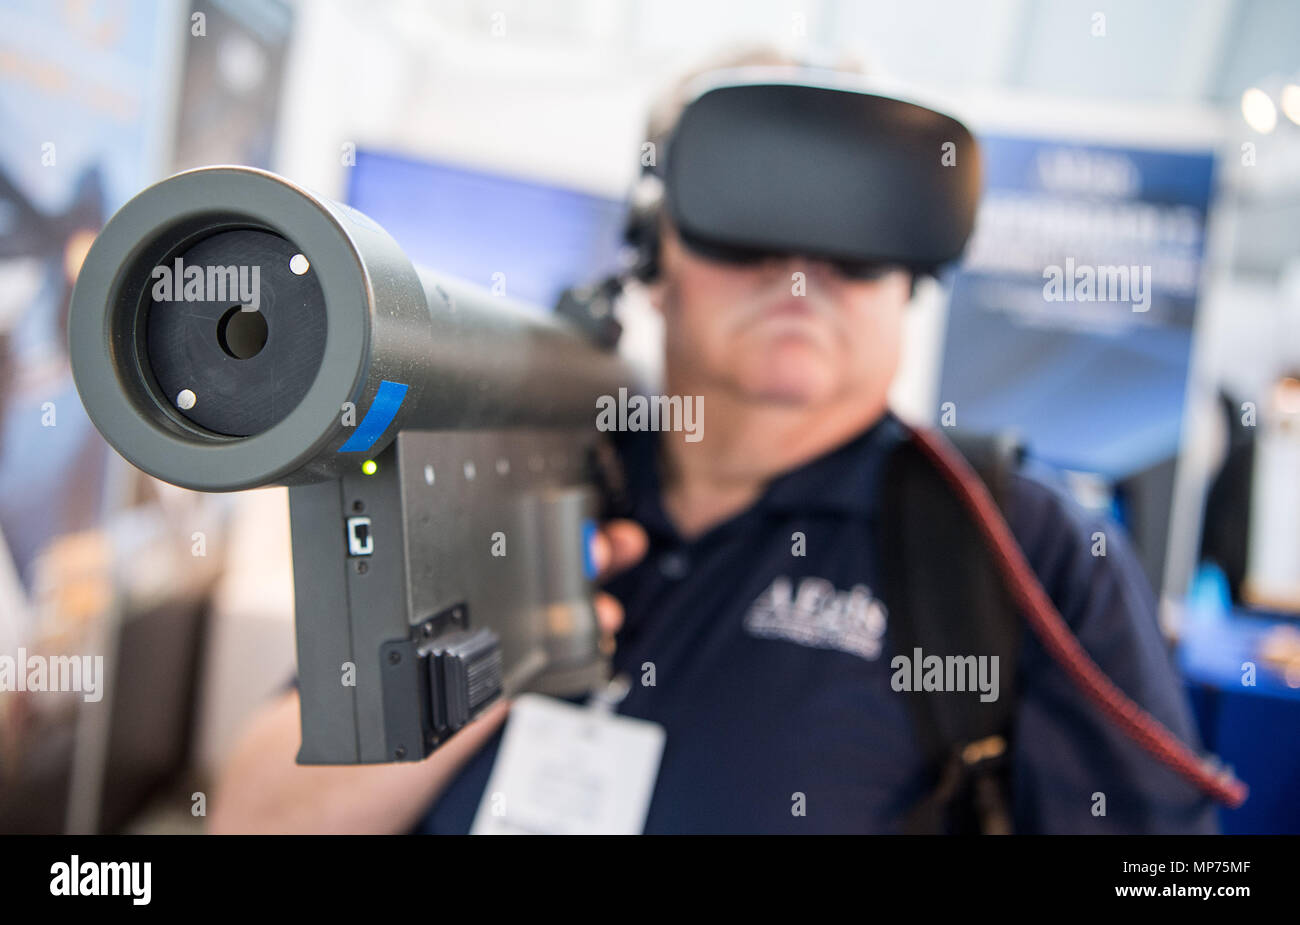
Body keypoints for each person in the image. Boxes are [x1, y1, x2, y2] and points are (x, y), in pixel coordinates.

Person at [209, 49, 1218, 835]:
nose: (800, 273)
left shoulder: (1011, 545)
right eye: (750, 216)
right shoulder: (515, 484)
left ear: (912, 267)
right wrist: (483, 658)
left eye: (856, 231)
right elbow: (253, 816)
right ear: (654, 252)